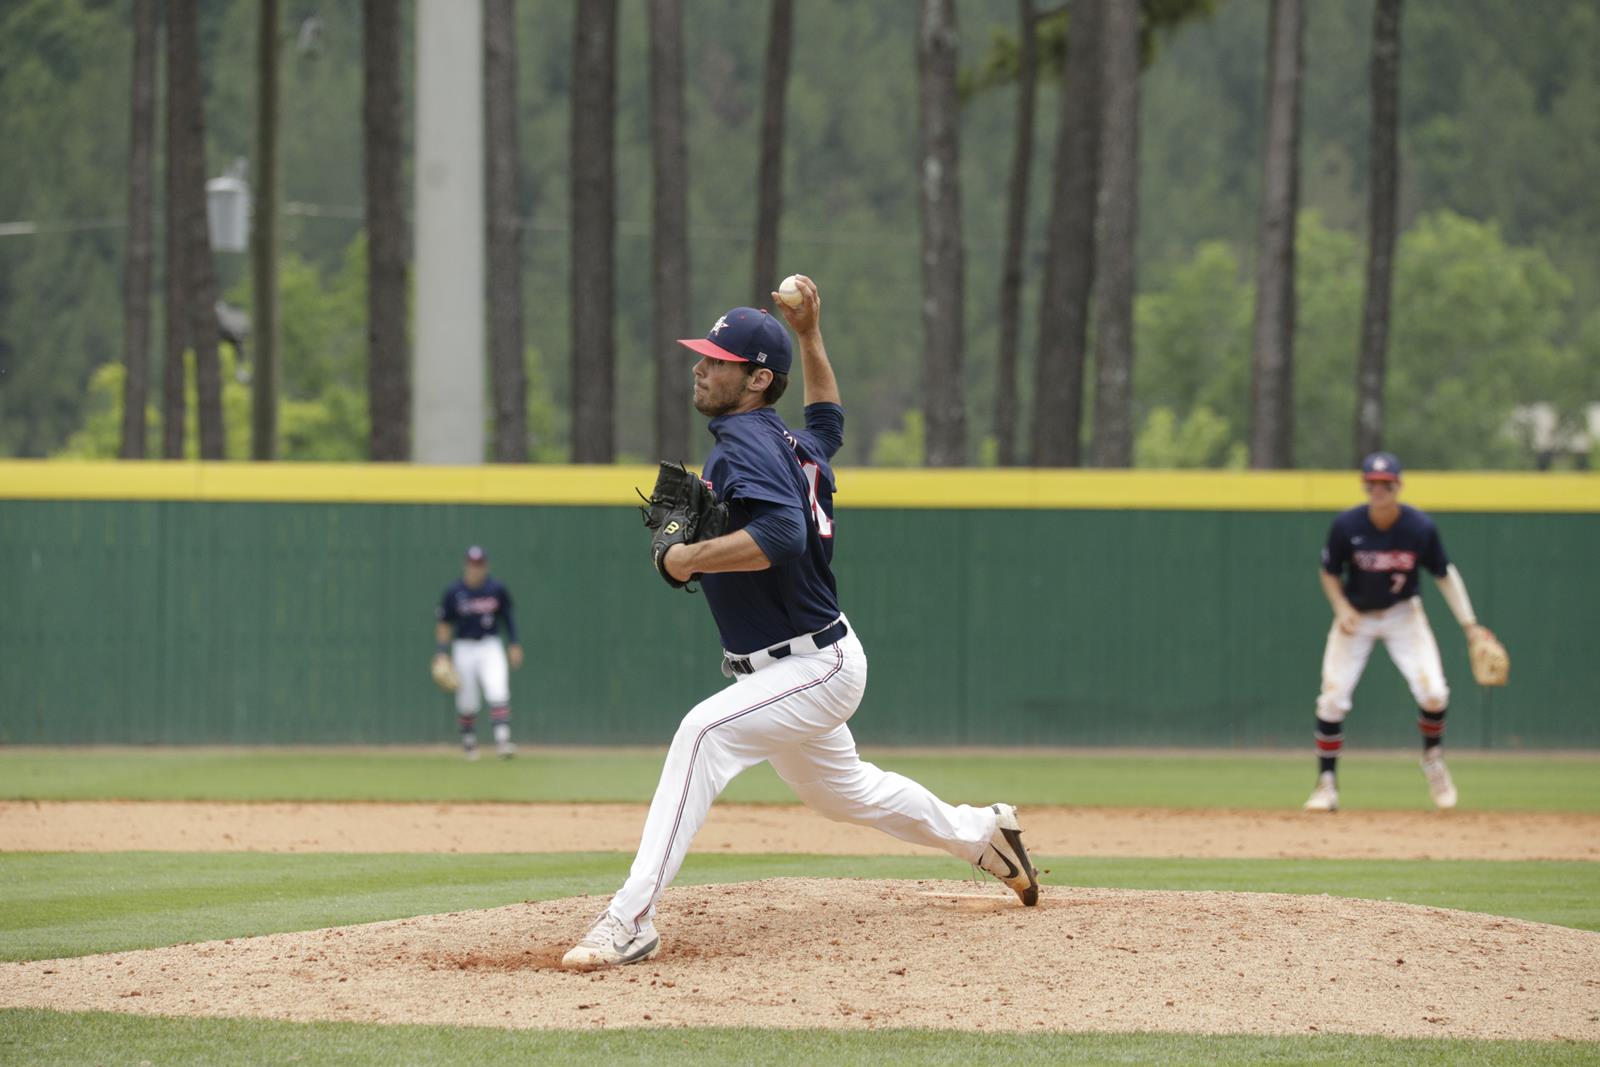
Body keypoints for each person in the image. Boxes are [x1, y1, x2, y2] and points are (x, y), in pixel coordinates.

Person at [561, 277, 1040, 968]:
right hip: (805, 661)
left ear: (757, 378)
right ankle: (985, 834)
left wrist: (686, 560)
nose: (700, 365)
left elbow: (783, 534)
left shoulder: (741, 440)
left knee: (701, 734)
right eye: (703, 354)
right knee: (847, 792)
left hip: (810, 664)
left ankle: (630, 917)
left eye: (717, 359)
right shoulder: (789, 439)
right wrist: (811, 336)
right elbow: (831, 420)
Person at [1304, 452, 1488, 812]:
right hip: (1356, 615)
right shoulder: (1347, 525)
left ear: (1398, 486)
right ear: (1364, 485)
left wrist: (1470, 626)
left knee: (1434, 692)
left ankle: (1432, 759)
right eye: (1372, 483)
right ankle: (1326, 785)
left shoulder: (1419, 527)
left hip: (1404, 615)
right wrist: (1340, 608)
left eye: (1385, 483)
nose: (1378, 489)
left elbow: (1444, 575)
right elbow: (1328, 572)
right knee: (1332, 697)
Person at [434, 545, 523, 760]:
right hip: (464, 646)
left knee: (498, 689)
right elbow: (444, 624)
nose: (476, 568)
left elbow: (508, 617)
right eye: (472, 564)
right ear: (466, 565)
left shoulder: (496, 589)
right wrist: (441, 653)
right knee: (467, 699)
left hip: (490, 645)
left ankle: (503, 742)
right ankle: (469, 743)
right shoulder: (454, 592)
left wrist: (514, 644)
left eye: (479, 564)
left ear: (486, 566)